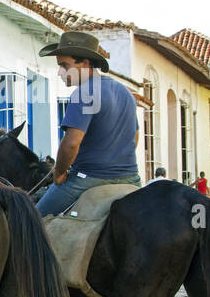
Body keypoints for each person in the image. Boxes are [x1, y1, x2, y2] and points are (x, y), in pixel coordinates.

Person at [33, 31, 141, 216]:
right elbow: (135, 136)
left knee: (33, 221)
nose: (60, 72)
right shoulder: (126, 93)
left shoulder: (83, 93)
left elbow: (71, 143)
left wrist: (59, 174)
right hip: (131, 180)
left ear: (85, 64)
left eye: (65, 66)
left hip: (88, 179)